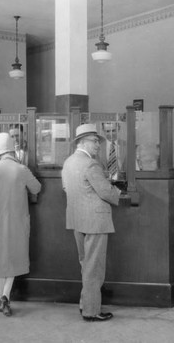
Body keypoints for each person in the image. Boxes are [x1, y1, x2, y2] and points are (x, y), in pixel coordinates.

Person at [0, 132, 41, 317]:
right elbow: (37, 188)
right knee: (12, 258)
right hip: (16, 222)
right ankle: (5, 295)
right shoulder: (21, 169)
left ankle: (2, 300)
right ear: (13, 149)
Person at [61, 123, 121, 322]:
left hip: (77, 219)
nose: (98, 145)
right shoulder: (91, 164)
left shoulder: (68, 162)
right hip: (95, 220)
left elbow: (66, 188)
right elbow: (105, 191)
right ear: (83, 142)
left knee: (85, 264)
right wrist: (118, 193)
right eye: (95, 141)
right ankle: (91, 311)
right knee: (94, 268)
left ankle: (84, 304)